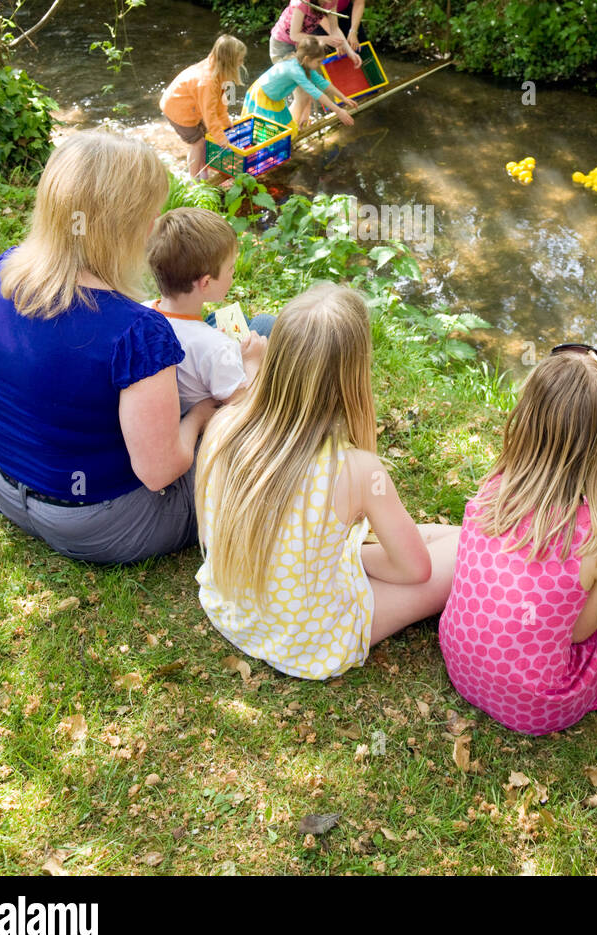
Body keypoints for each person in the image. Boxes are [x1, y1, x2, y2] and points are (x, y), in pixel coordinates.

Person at [0, 131, 217, 566]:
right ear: (124, 227)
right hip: (101, 524)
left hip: (7, 488)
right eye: (150, 215)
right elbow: (160, 471)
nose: (154, 225)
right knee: (242, 429)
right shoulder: (137, 330)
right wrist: (202, 415)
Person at [194, 283, 460, 680]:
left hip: (231, 609)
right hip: (308, 640)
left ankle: (353, 557)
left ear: (278, 356)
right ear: (354, 374)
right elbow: (415, 571)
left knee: (436, 538)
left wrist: (356, 556)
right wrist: (360, 558)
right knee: (462, 547)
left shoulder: (224, 425)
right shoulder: (357, 470)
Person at [439, 345, 597, 736]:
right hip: (537, 706)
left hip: (461, 666)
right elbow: (579, 632)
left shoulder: (493, 489)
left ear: (526, 418)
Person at [145, 207, 270, 415]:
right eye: (230, 269)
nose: (233, 274)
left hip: (193, 368)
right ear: (206, 283)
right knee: (266, 324)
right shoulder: (217, 348)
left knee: (220, 320)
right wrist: (252, 361)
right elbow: (246, 406)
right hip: (208, 426)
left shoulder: (144, 309)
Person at [160, 33, 247, 180]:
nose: (242, 63)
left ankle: (204, 172)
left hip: (194, 105)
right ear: (228, 61)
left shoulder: (220, 71)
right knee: (198, 143)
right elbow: (209, 114)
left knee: (207, 137)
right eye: (239, 60)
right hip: (177, 109)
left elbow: (221, 102)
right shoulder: (207, 81)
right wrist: (221, 139)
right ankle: (194, 180)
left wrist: (226, 123)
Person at [242, 35, 358, 132]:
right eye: (318, 61)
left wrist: (344, 98)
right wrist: (338, 111)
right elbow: (316, 93)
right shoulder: (295, 70)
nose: (320, 65)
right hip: (263, 95)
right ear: (307, 59)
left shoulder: (303, 64)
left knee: (286, 130)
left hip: (274, 96)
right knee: (263, 130)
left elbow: (323, 83)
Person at [269, 0, 361, 69]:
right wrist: (325, 39)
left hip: (302, 43)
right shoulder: (302, 1)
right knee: (294, 77)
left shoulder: (332, 0)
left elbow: (334, 30)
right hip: (282, 43)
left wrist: (350, 52)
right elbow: (294, 35)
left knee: (309, 74)